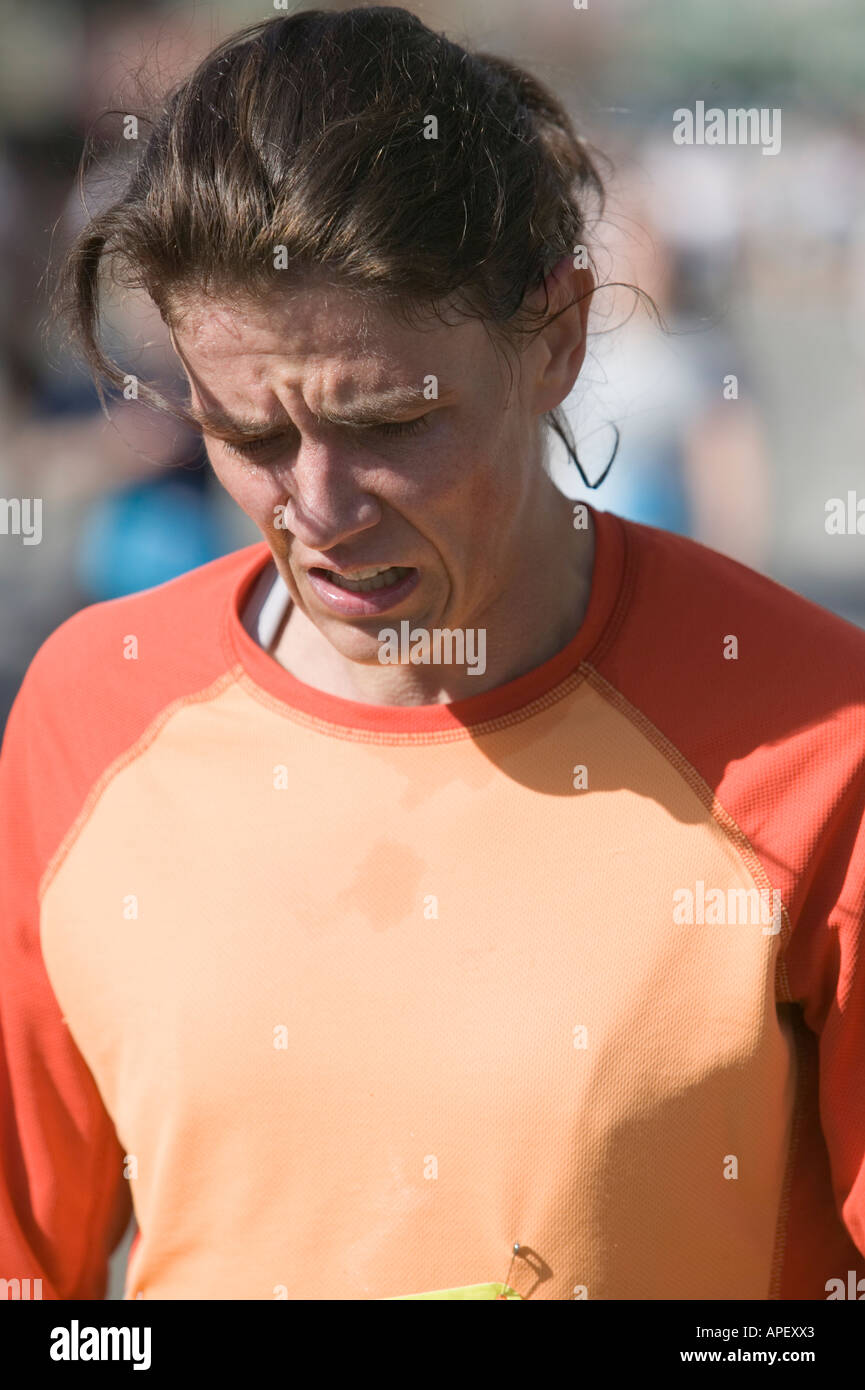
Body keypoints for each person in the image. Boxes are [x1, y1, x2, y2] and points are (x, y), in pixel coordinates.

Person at [1, 7, 863, 1302]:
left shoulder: (814, 726)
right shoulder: (87, 707)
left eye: (392, 421)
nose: (323, 510)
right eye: (250, 435)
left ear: (557, 337)